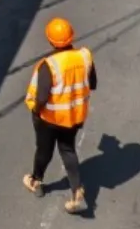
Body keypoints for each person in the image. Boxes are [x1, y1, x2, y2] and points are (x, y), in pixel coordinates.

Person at [24, 17, 97, 213]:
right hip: (73, 117)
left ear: (50, 41)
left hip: (49, 119)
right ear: (71, 37)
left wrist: (37, 112)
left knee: (44, 150)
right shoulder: (84, 57)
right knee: (67, 150)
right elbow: (93, 84)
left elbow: (41, 98)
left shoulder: (48, 65)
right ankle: (76, 192)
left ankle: (37, 182)